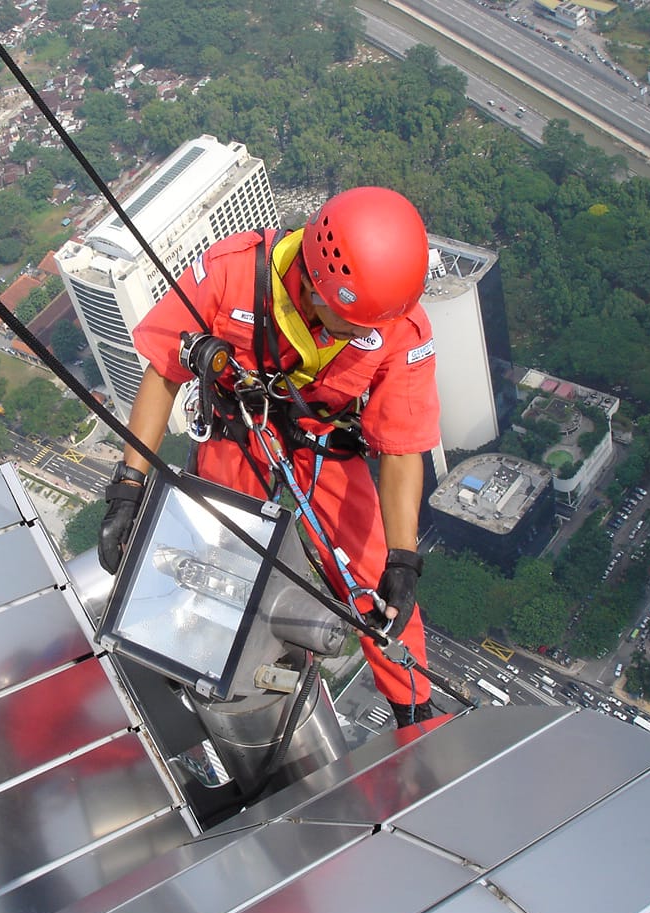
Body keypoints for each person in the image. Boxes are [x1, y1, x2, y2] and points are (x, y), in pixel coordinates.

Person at [97, 186, 440, 727]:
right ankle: (208, 666)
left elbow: (402, 449)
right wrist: (128, 487)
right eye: (352, 327)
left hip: (324, 438)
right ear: (314, 283)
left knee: (378, 587)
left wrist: (403, 558)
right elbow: (165, 370)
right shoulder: (234, 272)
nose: (363, 338)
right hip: (242, 427)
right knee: (218, 550)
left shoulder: (396, 325)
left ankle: (417, 712)